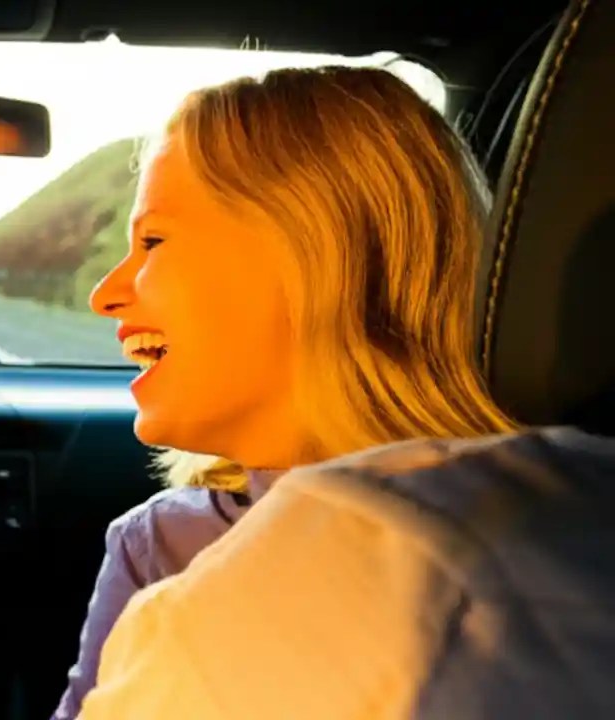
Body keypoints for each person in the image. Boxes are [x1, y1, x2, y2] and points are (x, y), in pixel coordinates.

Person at [63, 64, 524, 718]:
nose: (105, 293)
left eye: (154, 241)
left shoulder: (172, 552)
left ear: (315, 255)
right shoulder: (560, 525)